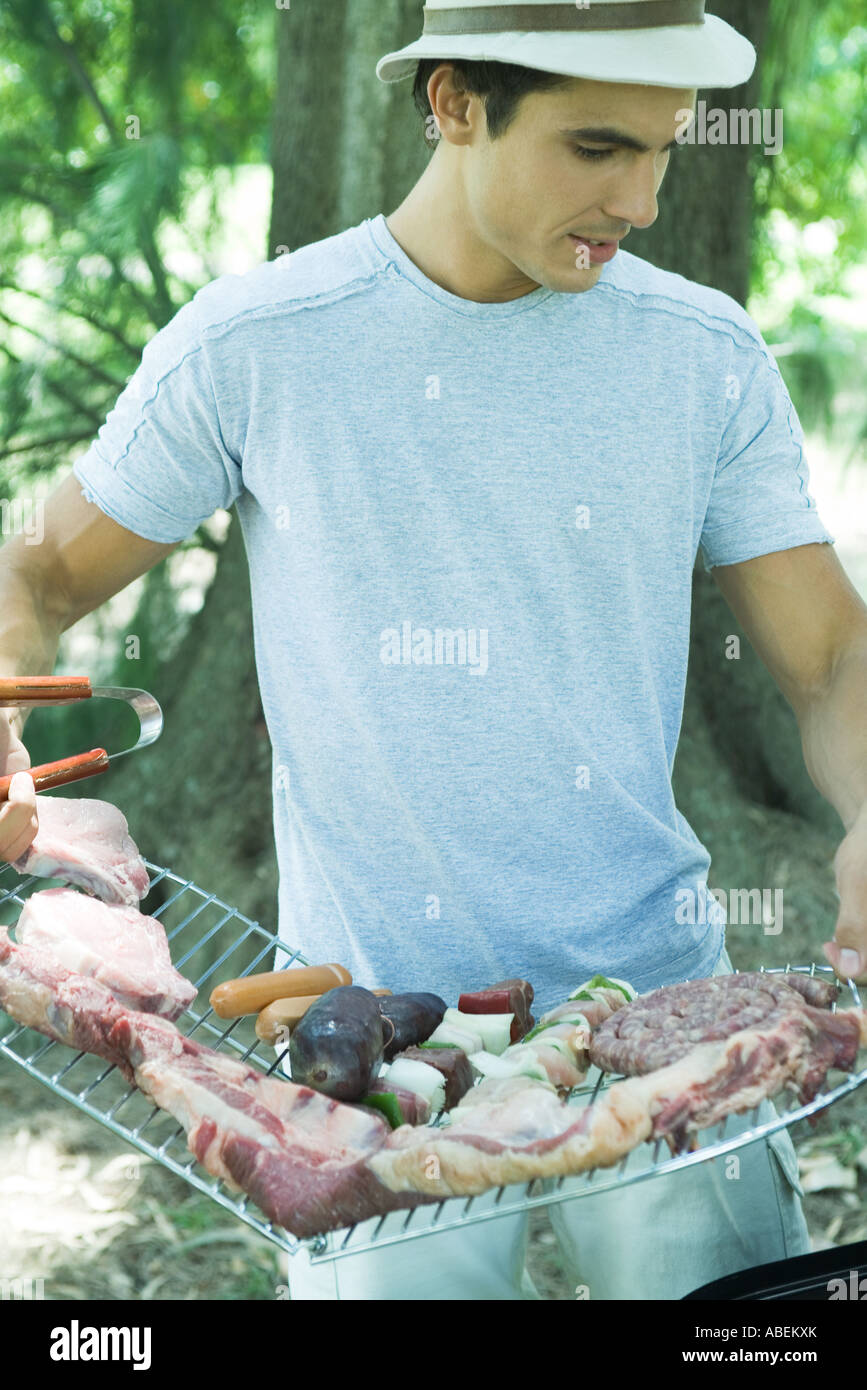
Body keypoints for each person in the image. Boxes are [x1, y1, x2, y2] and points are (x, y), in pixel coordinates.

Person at [2, 0, 866, 1300]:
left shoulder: (704, 359)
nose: (639, 197)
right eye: (595, 147)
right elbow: (42, 570)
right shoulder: (256, 346)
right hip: (358, 1036)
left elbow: (830, 660)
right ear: (454, 102)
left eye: (666, 147)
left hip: (657, 1018)